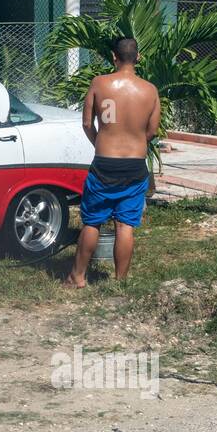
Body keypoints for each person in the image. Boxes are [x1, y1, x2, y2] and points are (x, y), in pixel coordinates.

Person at [65, 36, 160, 287]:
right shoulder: (150, 91)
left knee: (92, 221)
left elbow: (86, 123)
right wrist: (136, 141)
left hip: (105, 163)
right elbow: (151, 131)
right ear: (138, 57)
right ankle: (120, 281)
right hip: (135, 164)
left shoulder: (99, 83)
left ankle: (78, 277)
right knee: (125, 224)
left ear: (113, 58)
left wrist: (100, 142)